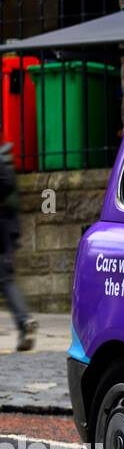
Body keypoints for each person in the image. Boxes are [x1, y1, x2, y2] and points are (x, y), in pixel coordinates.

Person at [0, 142, 37, 351]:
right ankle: (24, 323)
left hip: (2, 228)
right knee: (6, 279)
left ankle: (24, 321)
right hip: (7, 227)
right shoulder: (5, 158)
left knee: (5, 279)